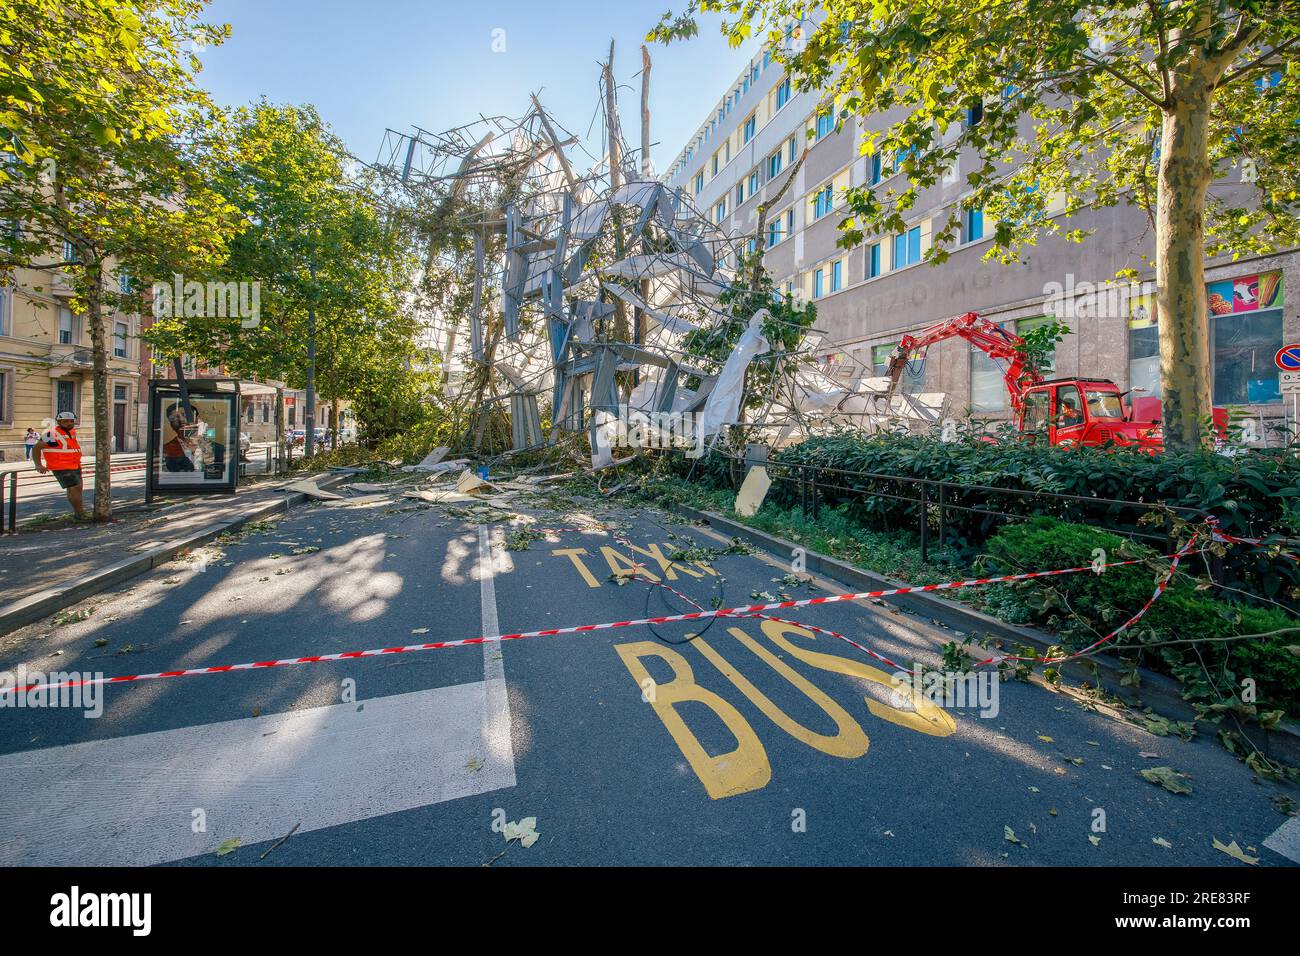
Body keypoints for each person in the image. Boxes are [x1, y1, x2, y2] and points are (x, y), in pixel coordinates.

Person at [31, 411, 86, 519]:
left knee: (76, 488)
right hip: (61, 466)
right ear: (59, 422)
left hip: (74, 464)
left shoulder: (72, 432)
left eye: (71, 421)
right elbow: (37, 447)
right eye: (65, 421)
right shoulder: (51, 434)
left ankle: (78, 514)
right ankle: (80, 515)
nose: (69, 423)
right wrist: (38, 465)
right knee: (74, 488)